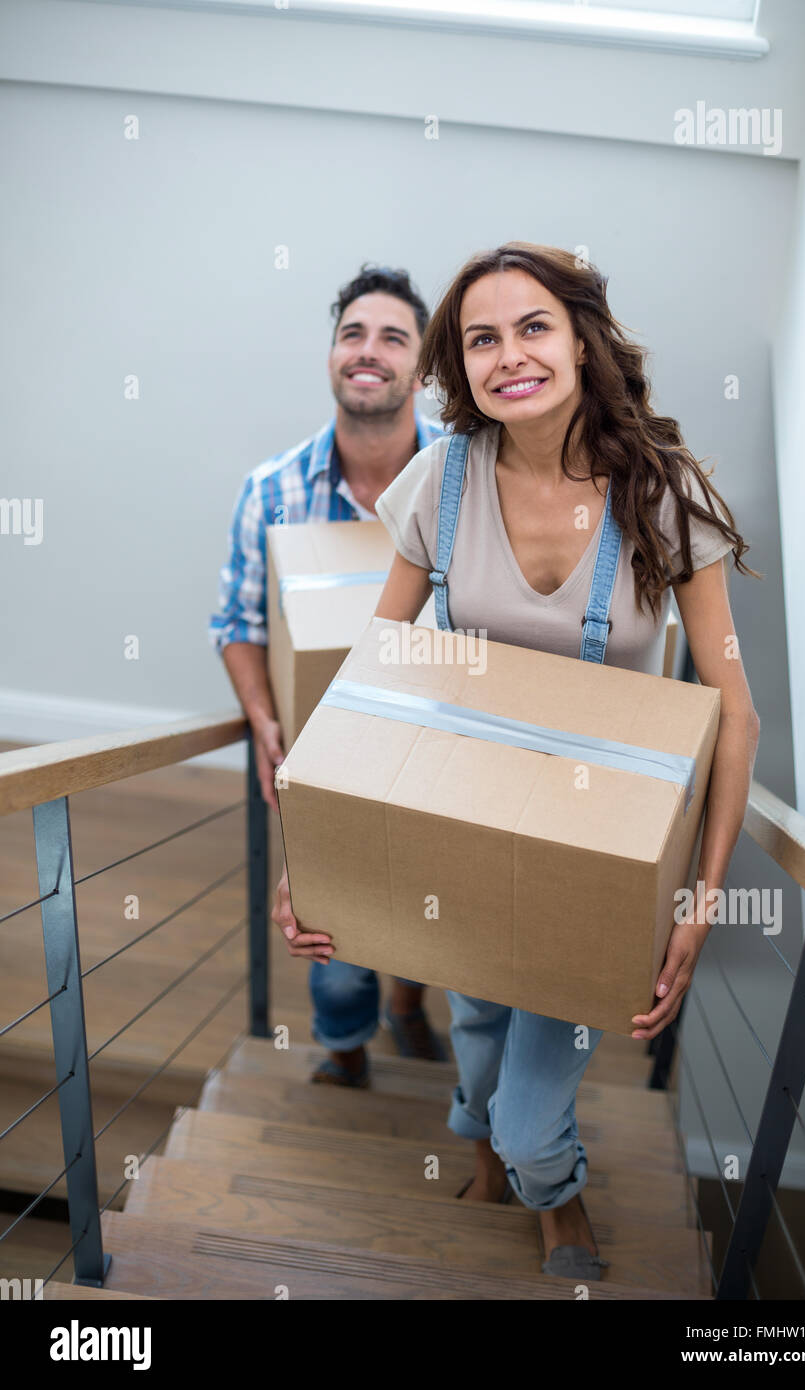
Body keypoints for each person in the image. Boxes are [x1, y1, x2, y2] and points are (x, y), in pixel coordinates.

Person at [271, 241, 760, 1276]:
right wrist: (298, 857)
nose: (508, 357)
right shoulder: (440, 478)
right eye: (480, 340)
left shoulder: (664, 493)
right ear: (461, 367)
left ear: (580, 339)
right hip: (462, 822)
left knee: (537, 1109)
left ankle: (549, 1185)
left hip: (591, 853)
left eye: (531, 327)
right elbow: (370, 678)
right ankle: (479, 1145)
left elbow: (733, 715)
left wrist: (699, 899)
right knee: (479, 1023)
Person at [210, 264, 448, 1083]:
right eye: (353, 333)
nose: (368, 350)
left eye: (393, 336)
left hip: (437, 746)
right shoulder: (270, 491)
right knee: (335, 938)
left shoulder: (470, 482)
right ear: (332, 355)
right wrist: (262, 720)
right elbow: (236, 625)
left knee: (427, 903)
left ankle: (409, 1007)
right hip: (321, 756)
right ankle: (346, 1049)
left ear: (422, 367)